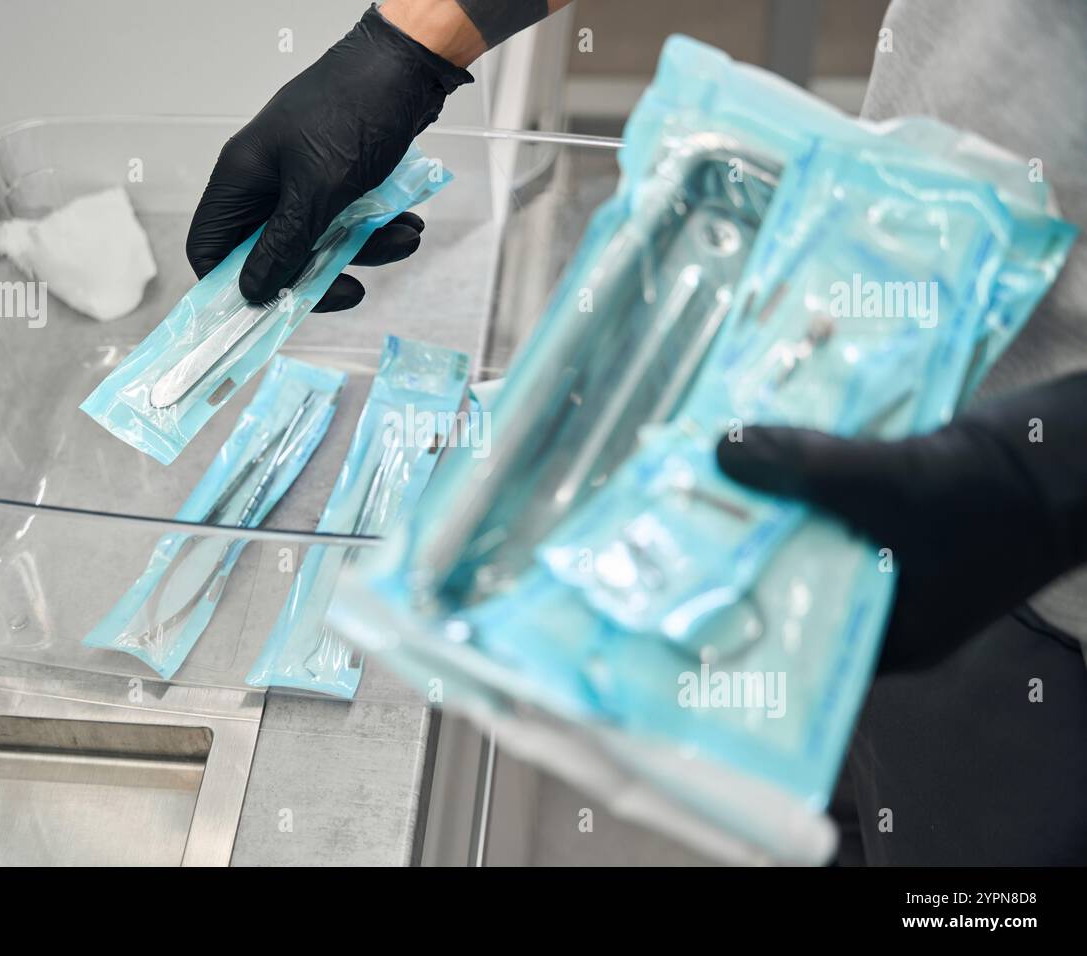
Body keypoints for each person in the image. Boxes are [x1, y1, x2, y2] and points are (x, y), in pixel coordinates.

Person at [187, 0, 1087, 865]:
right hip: (895, 357)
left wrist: (1052, 477)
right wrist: (416, 42)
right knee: (841, 765)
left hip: (1047, 599)